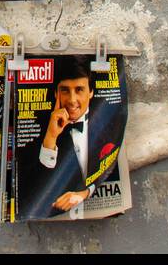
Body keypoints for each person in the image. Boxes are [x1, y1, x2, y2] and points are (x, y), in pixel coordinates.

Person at [18, 56, 126, 219]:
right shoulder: (35, 129)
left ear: (91, 92)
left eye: (79, 89)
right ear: (56, 93)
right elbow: (33, 190)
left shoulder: (111, 121)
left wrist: (85, 193)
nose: (72, 100)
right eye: (65, 90)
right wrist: (51, 137)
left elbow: (112, 172)